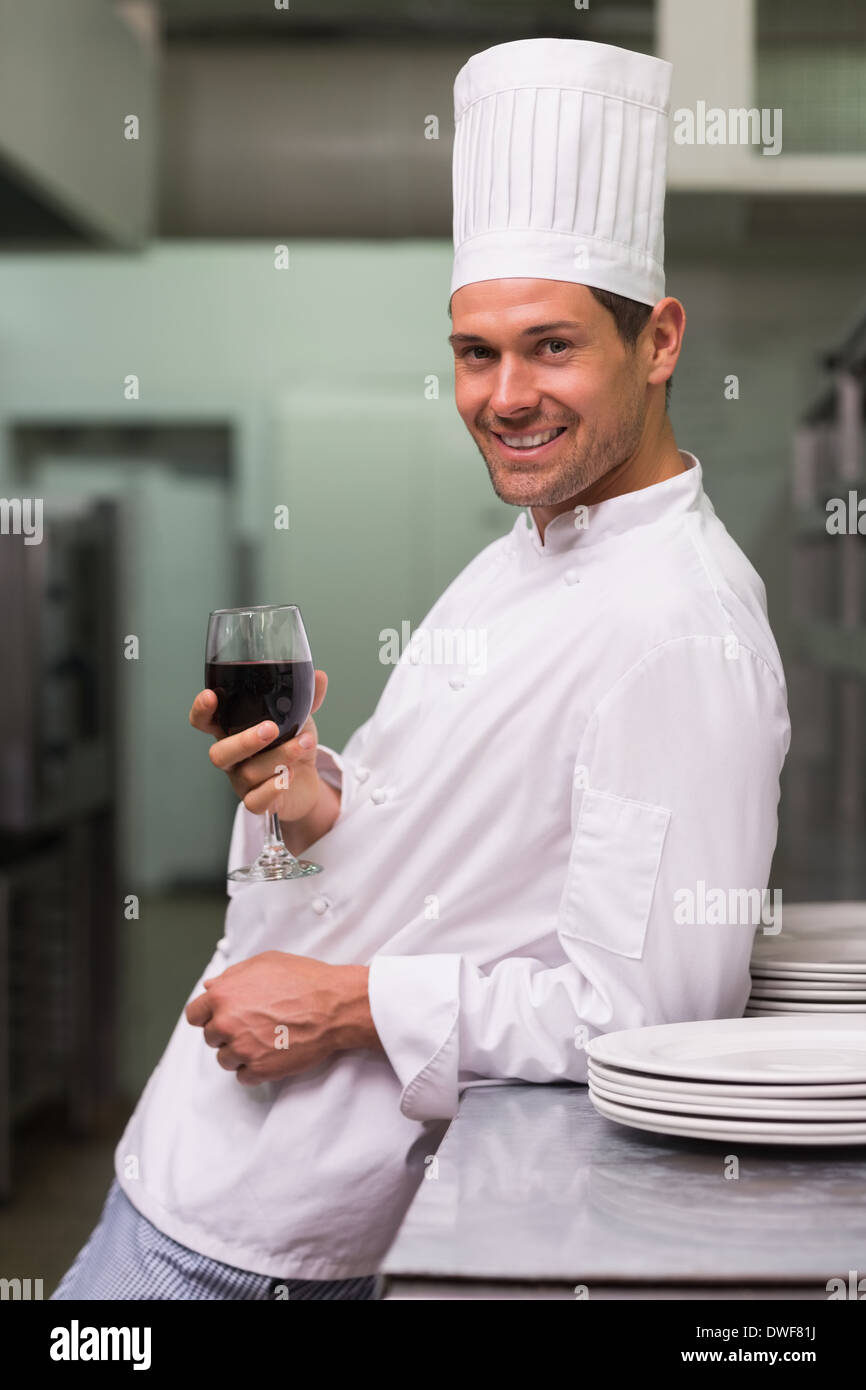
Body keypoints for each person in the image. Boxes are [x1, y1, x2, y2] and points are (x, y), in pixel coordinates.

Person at [52, 36, 790, 1300]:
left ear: (658, 340)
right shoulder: (524, 547)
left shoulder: (680, 625)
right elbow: (442, 858)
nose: (503, 396)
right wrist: (305, 799)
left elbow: (645, 1017)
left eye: (550, 346)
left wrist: (344, 1005)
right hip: (187, 1171)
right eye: (473, 351)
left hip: (263, 1242)